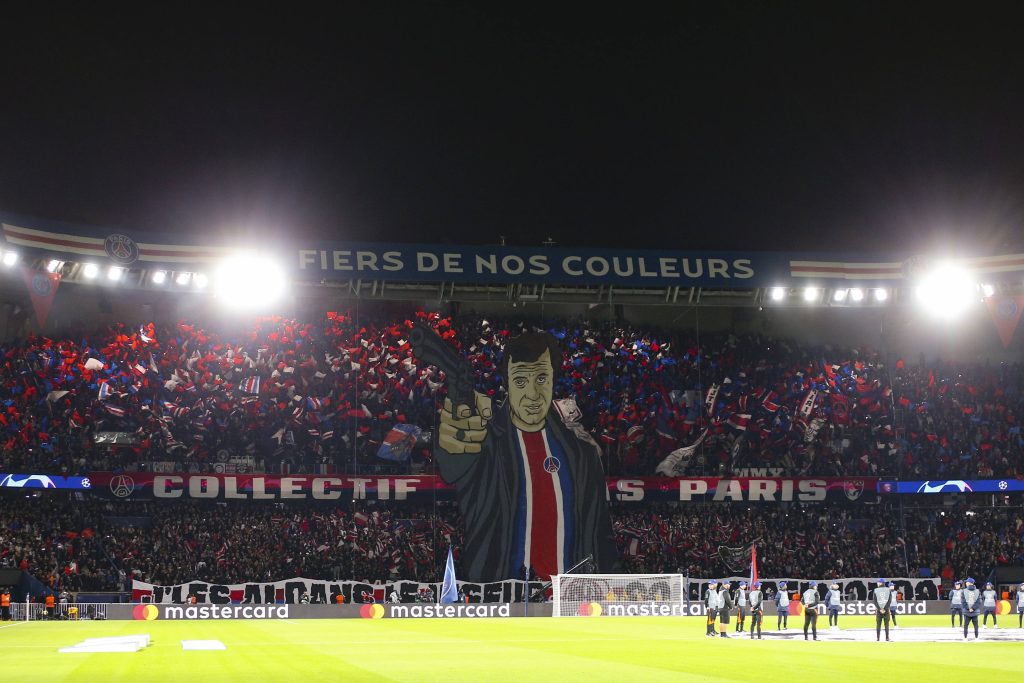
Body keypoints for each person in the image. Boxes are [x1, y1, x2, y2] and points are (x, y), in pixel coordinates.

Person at [434, 331, 619, 582]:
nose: (532, 394)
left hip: (572, 603)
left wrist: (613, 589)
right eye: (520, 381)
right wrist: (447, 440)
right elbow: (453, 465)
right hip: (500, 604)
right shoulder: (485, 445)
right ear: (507, 384)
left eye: (541, 378)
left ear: (554, 379)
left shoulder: (583, 457)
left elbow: (601, 537)